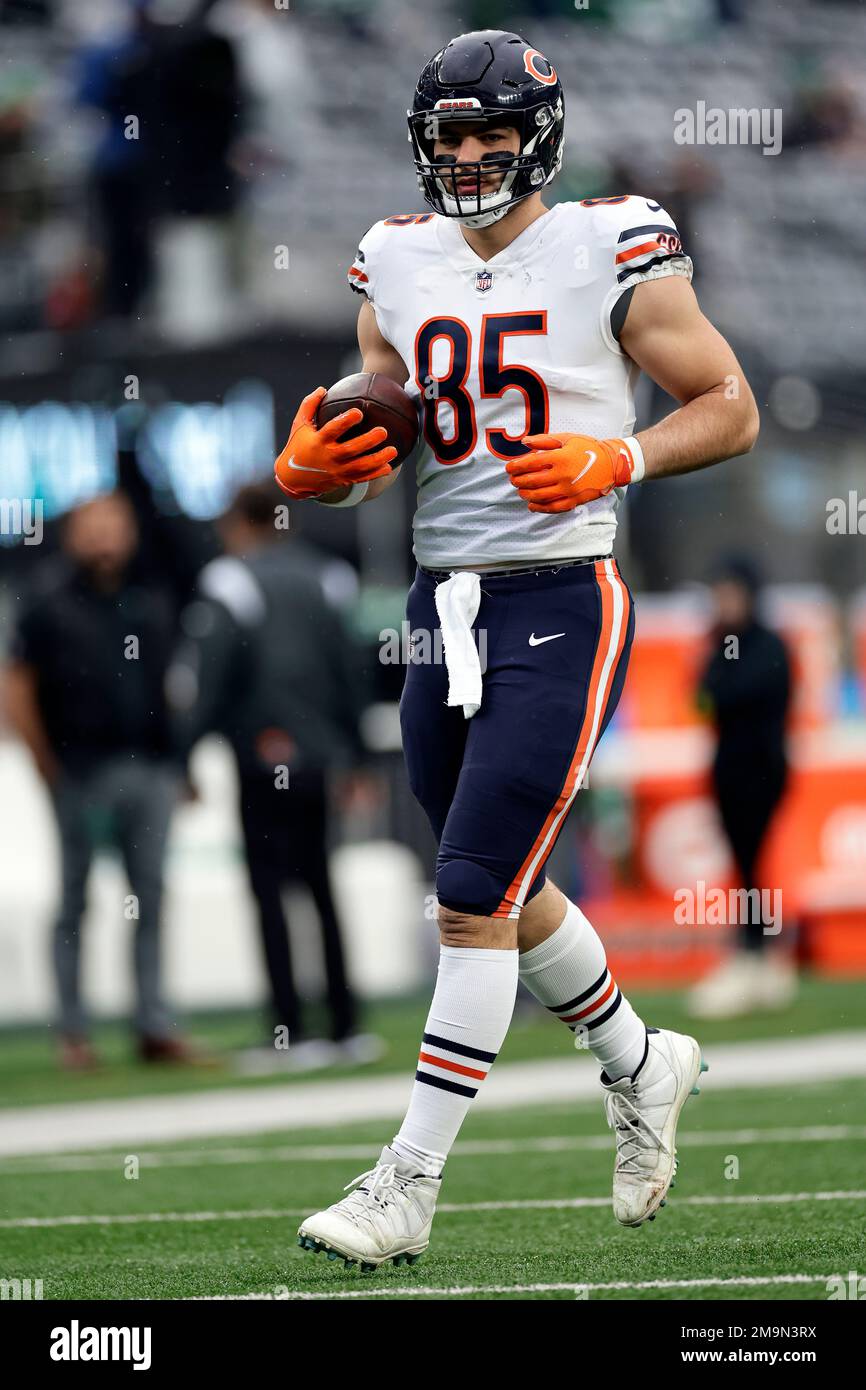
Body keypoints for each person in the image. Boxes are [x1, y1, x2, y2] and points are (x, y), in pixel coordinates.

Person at [274, 30, 759, 1269]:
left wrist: (621, 454)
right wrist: (311, 473)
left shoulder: (610, 239)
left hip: (562, 596)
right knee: (503, 880)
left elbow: (729, 403)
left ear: (537, 132)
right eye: (452, 134)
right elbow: (378, 427)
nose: (473, 154)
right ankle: (640, 1065)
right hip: (441, 603)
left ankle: (407, 1184)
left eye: (493, 131)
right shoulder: (392, 256)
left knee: (469, 891)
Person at [168, 483, 382, 1070]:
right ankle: (345, 1025)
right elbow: (352, 673)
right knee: (320, 884)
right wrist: (357, 757)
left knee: (269, 890)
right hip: (320, 759)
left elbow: (210, 679)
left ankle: (289, 1029)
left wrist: (186, 755)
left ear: (238, 521)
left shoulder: (229, 581)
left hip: (261, 755)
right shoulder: (330, 576)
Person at [4, 492, 194, 1069]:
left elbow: (169, 684)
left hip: (150, 766)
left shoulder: (150, 595)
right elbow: (17, 683)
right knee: (75, 900)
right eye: (95, 527)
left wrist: (179, 762)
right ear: (73, 534)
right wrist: (44, 760)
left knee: (152, 897)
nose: (107, 537)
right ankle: (73, 1031)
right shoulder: (46, 600)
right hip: (81, 769)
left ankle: (153, 1024)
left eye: (117, 524)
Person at [689, 556, 795, 1019]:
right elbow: (702, 697)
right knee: (743, 866)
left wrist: (723, 694)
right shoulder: (719, 643)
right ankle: (755, 952)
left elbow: (739, 694)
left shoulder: (770, 643)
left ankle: (759, 953)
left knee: (754, 863)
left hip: (764, 772)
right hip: (728, 771)